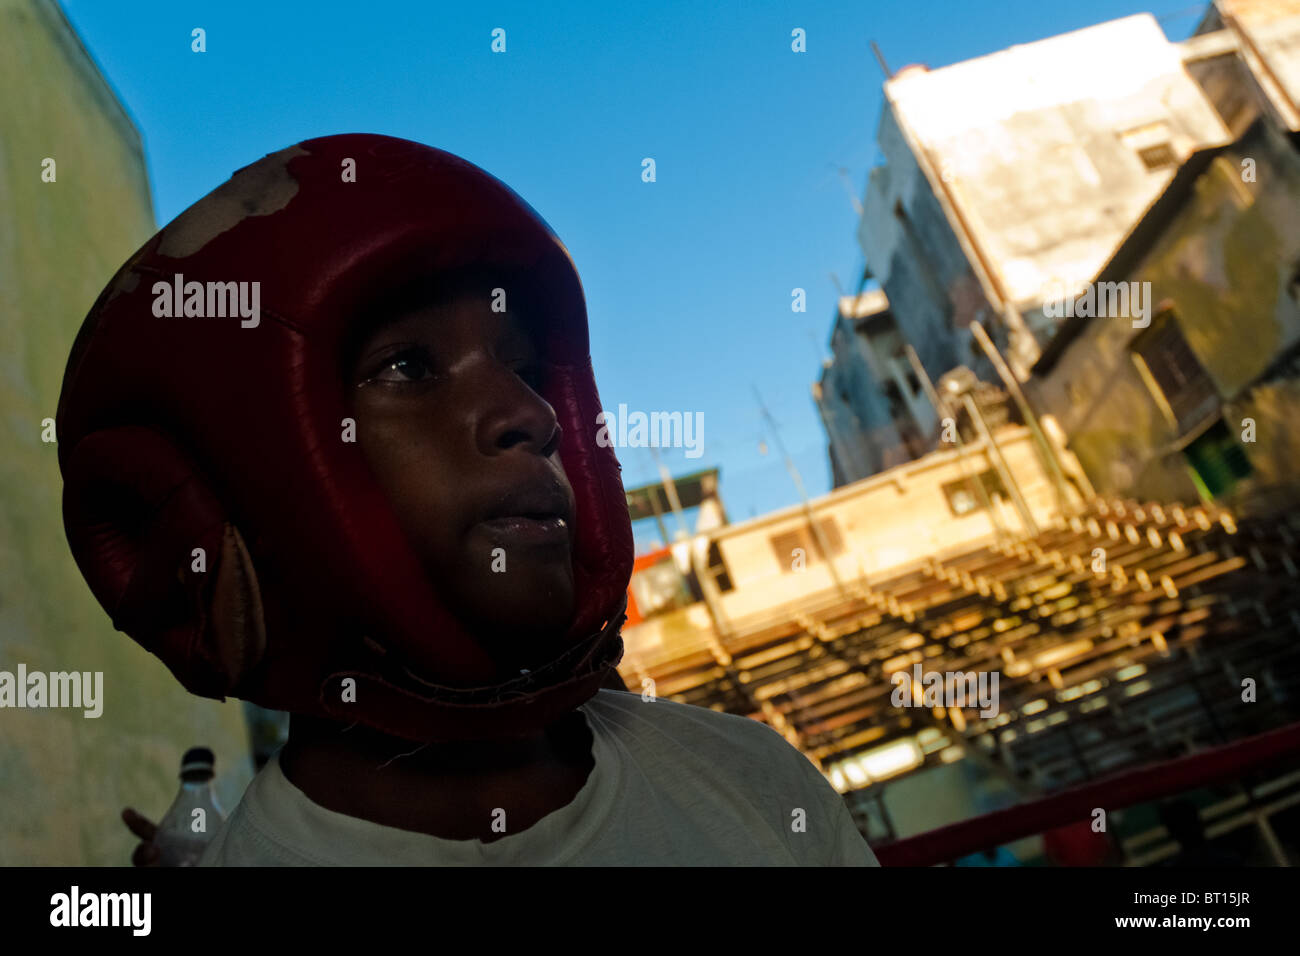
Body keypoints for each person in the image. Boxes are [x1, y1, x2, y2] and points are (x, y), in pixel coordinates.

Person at [58, 134, 878, 866]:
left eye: (523, 369)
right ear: (234, 491)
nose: (534, 415)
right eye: (409, 369)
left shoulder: (754, 779)